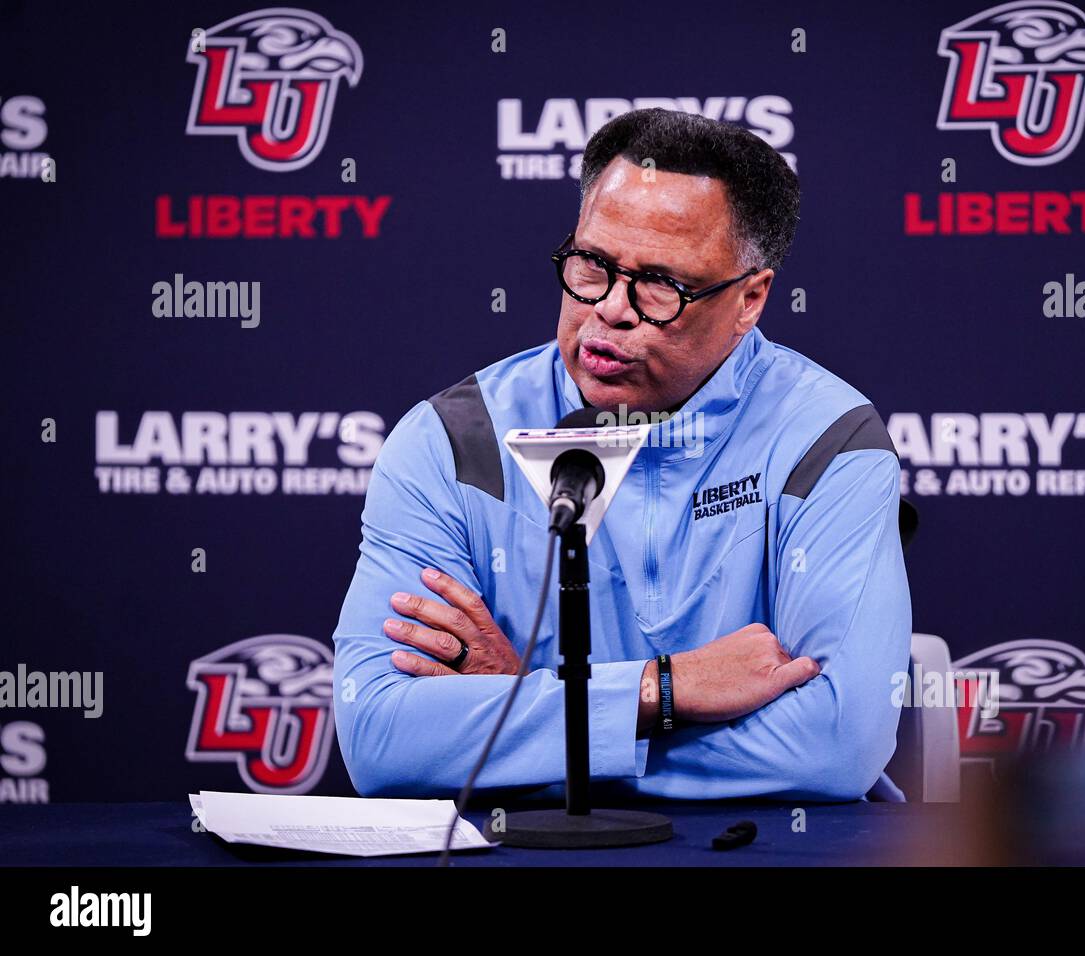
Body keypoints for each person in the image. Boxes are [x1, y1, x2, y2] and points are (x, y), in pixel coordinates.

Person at [331, 108, 911, 802]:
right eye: (592, 265)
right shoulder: (452, 443)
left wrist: (524, 723)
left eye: (662, 284)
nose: (610, 309)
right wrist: (664, 689)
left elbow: (835, 747)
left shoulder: (827, 438)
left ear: (750, 297)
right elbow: (380, 739)